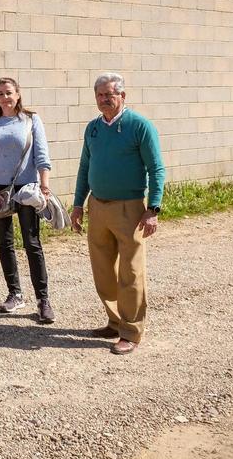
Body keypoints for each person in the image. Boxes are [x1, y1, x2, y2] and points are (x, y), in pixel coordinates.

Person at [70, 72, 166, 355]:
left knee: (131, 272)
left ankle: (132, 331)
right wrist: (78, 205)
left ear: (123, 96)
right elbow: (84, 168)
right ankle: (114, 321)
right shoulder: (93, 128)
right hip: (98, 207)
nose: (104, 99)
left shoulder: (140, 126)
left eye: (109, 94)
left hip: (130, 209)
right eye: (99, 95)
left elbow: (156, 169)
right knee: (103, 271)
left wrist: (153, 209)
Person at [0, 77, 56, 324]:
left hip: (27, 189)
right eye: (0, 94)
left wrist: (44, 186)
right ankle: (15, 293)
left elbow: (42, 155)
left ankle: (43, 300)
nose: (5, 98)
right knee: (5, 243)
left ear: (18, 95)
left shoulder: (31, 120)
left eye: (9, 93)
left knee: (32, 242)